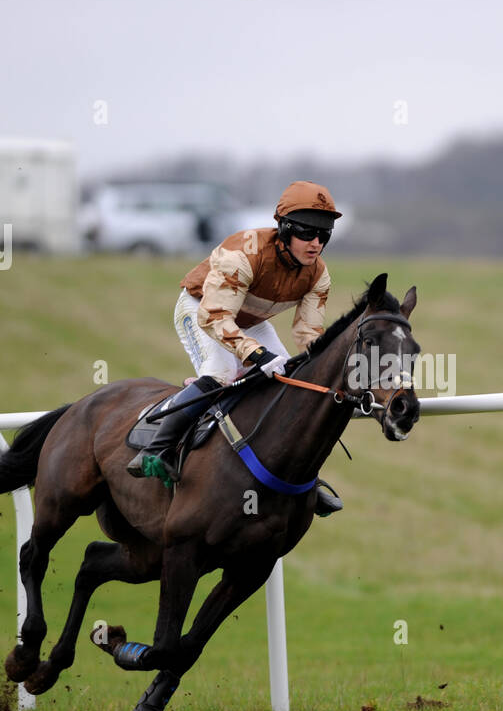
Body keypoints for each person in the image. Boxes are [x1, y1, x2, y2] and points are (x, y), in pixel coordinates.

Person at [126, 180, 344, 516]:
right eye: (307, 233)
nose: (316, 243)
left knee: (292, 382)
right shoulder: (243, 252)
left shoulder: (318, 274)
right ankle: (157, 448)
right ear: (284, 229)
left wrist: (322, 371)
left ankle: (305, 479)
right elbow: (215, 318)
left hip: (251, 320)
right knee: (222, 372)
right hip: (202, 309)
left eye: (324, 235)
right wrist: (255, 355)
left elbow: (308, 334)